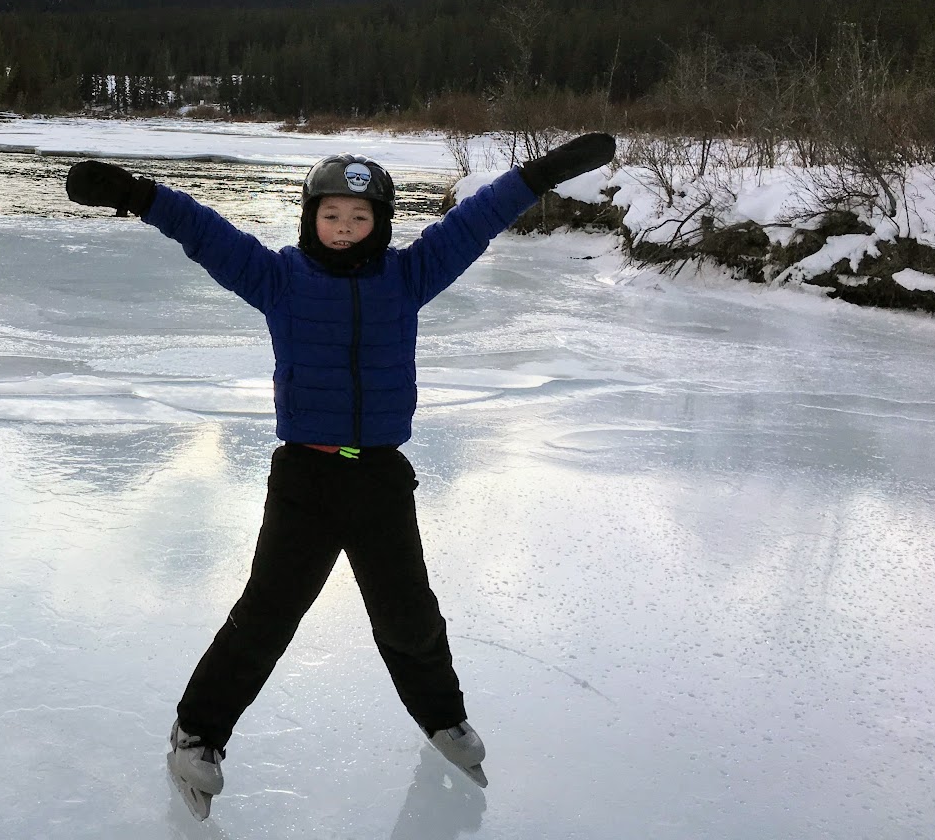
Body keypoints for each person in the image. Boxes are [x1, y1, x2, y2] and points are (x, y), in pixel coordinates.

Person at [65, 134, 616, 820]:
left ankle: (444, 720)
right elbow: (205, 232)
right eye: (333, 217)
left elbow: (473, 221)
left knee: (409, 615)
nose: (345, 229)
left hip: (380, 477)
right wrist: (136, 194)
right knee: (266, 618)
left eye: (360, 219)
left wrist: (540, 174)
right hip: (305, 477)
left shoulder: (408, 277)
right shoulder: (279, 280)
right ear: (310, 219)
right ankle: (198, 734)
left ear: (379, 225)